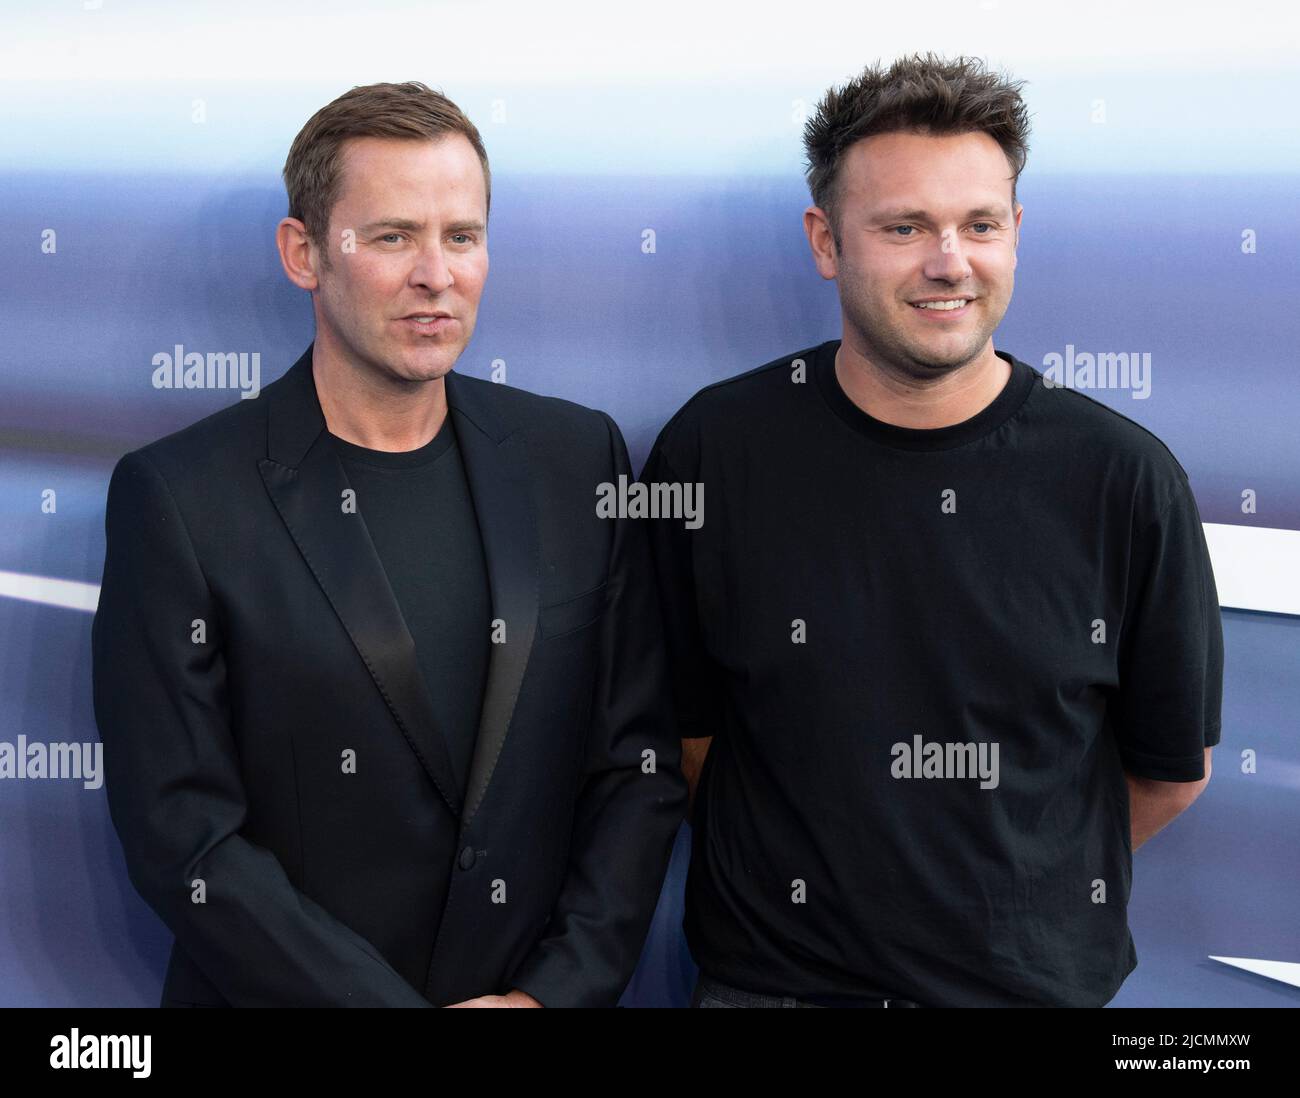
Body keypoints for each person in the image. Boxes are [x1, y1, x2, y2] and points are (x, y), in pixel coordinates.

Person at [643, 53, 1222, 1008]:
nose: (949, 261)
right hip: (772, 990)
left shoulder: (1125, 479)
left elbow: (1170, 770)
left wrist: (1014, 889)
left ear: (1016, 234)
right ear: (827, 240)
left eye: (979, 225)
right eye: (905, 226)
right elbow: (688, 735)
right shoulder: (717, 450)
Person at [91, 81, 686, 1008]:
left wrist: (551, 997)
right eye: (393, 236)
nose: (436, 275)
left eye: (462, 236)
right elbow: (183, 835)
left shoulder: (577, 461)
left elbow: (635, 770)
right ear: (304, 254)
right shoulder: (180, 497)